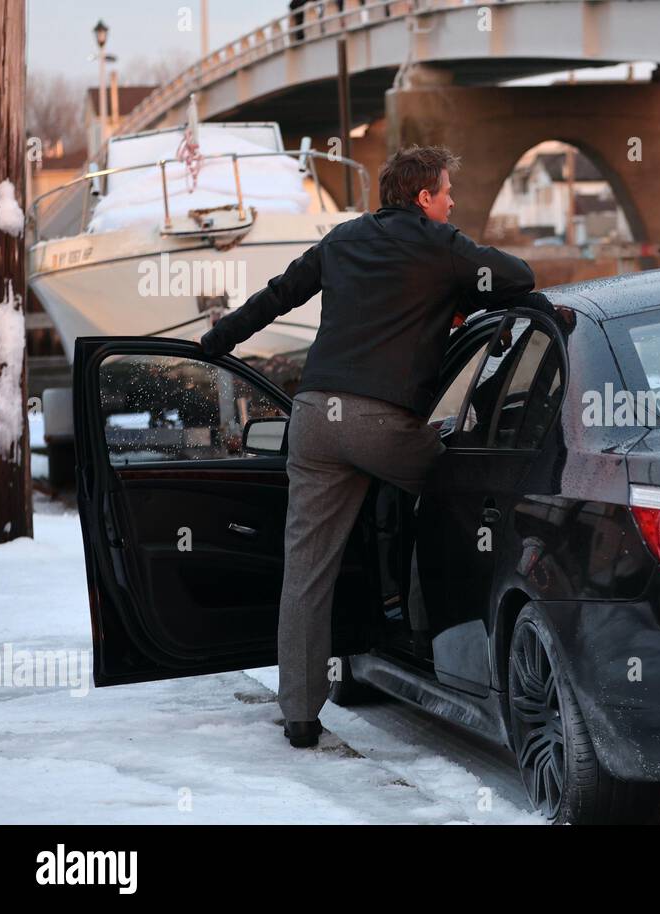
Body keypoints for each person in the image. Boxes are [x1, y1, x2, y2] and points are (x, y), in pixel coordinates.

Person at [199, 145, 538, 747]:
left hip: (314, 417)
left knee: (305, 571)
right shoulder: (440, 244)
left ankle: (300, 716)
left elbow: (276, 296)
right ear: (422, 197)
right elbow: (518, 276)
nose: (453, 201)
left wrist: (215, 342)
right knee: (459, 499)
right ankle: (430, 632)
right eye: (446, 192)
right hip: (382, 424)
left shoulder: (341, 240)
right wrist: (457, 297)